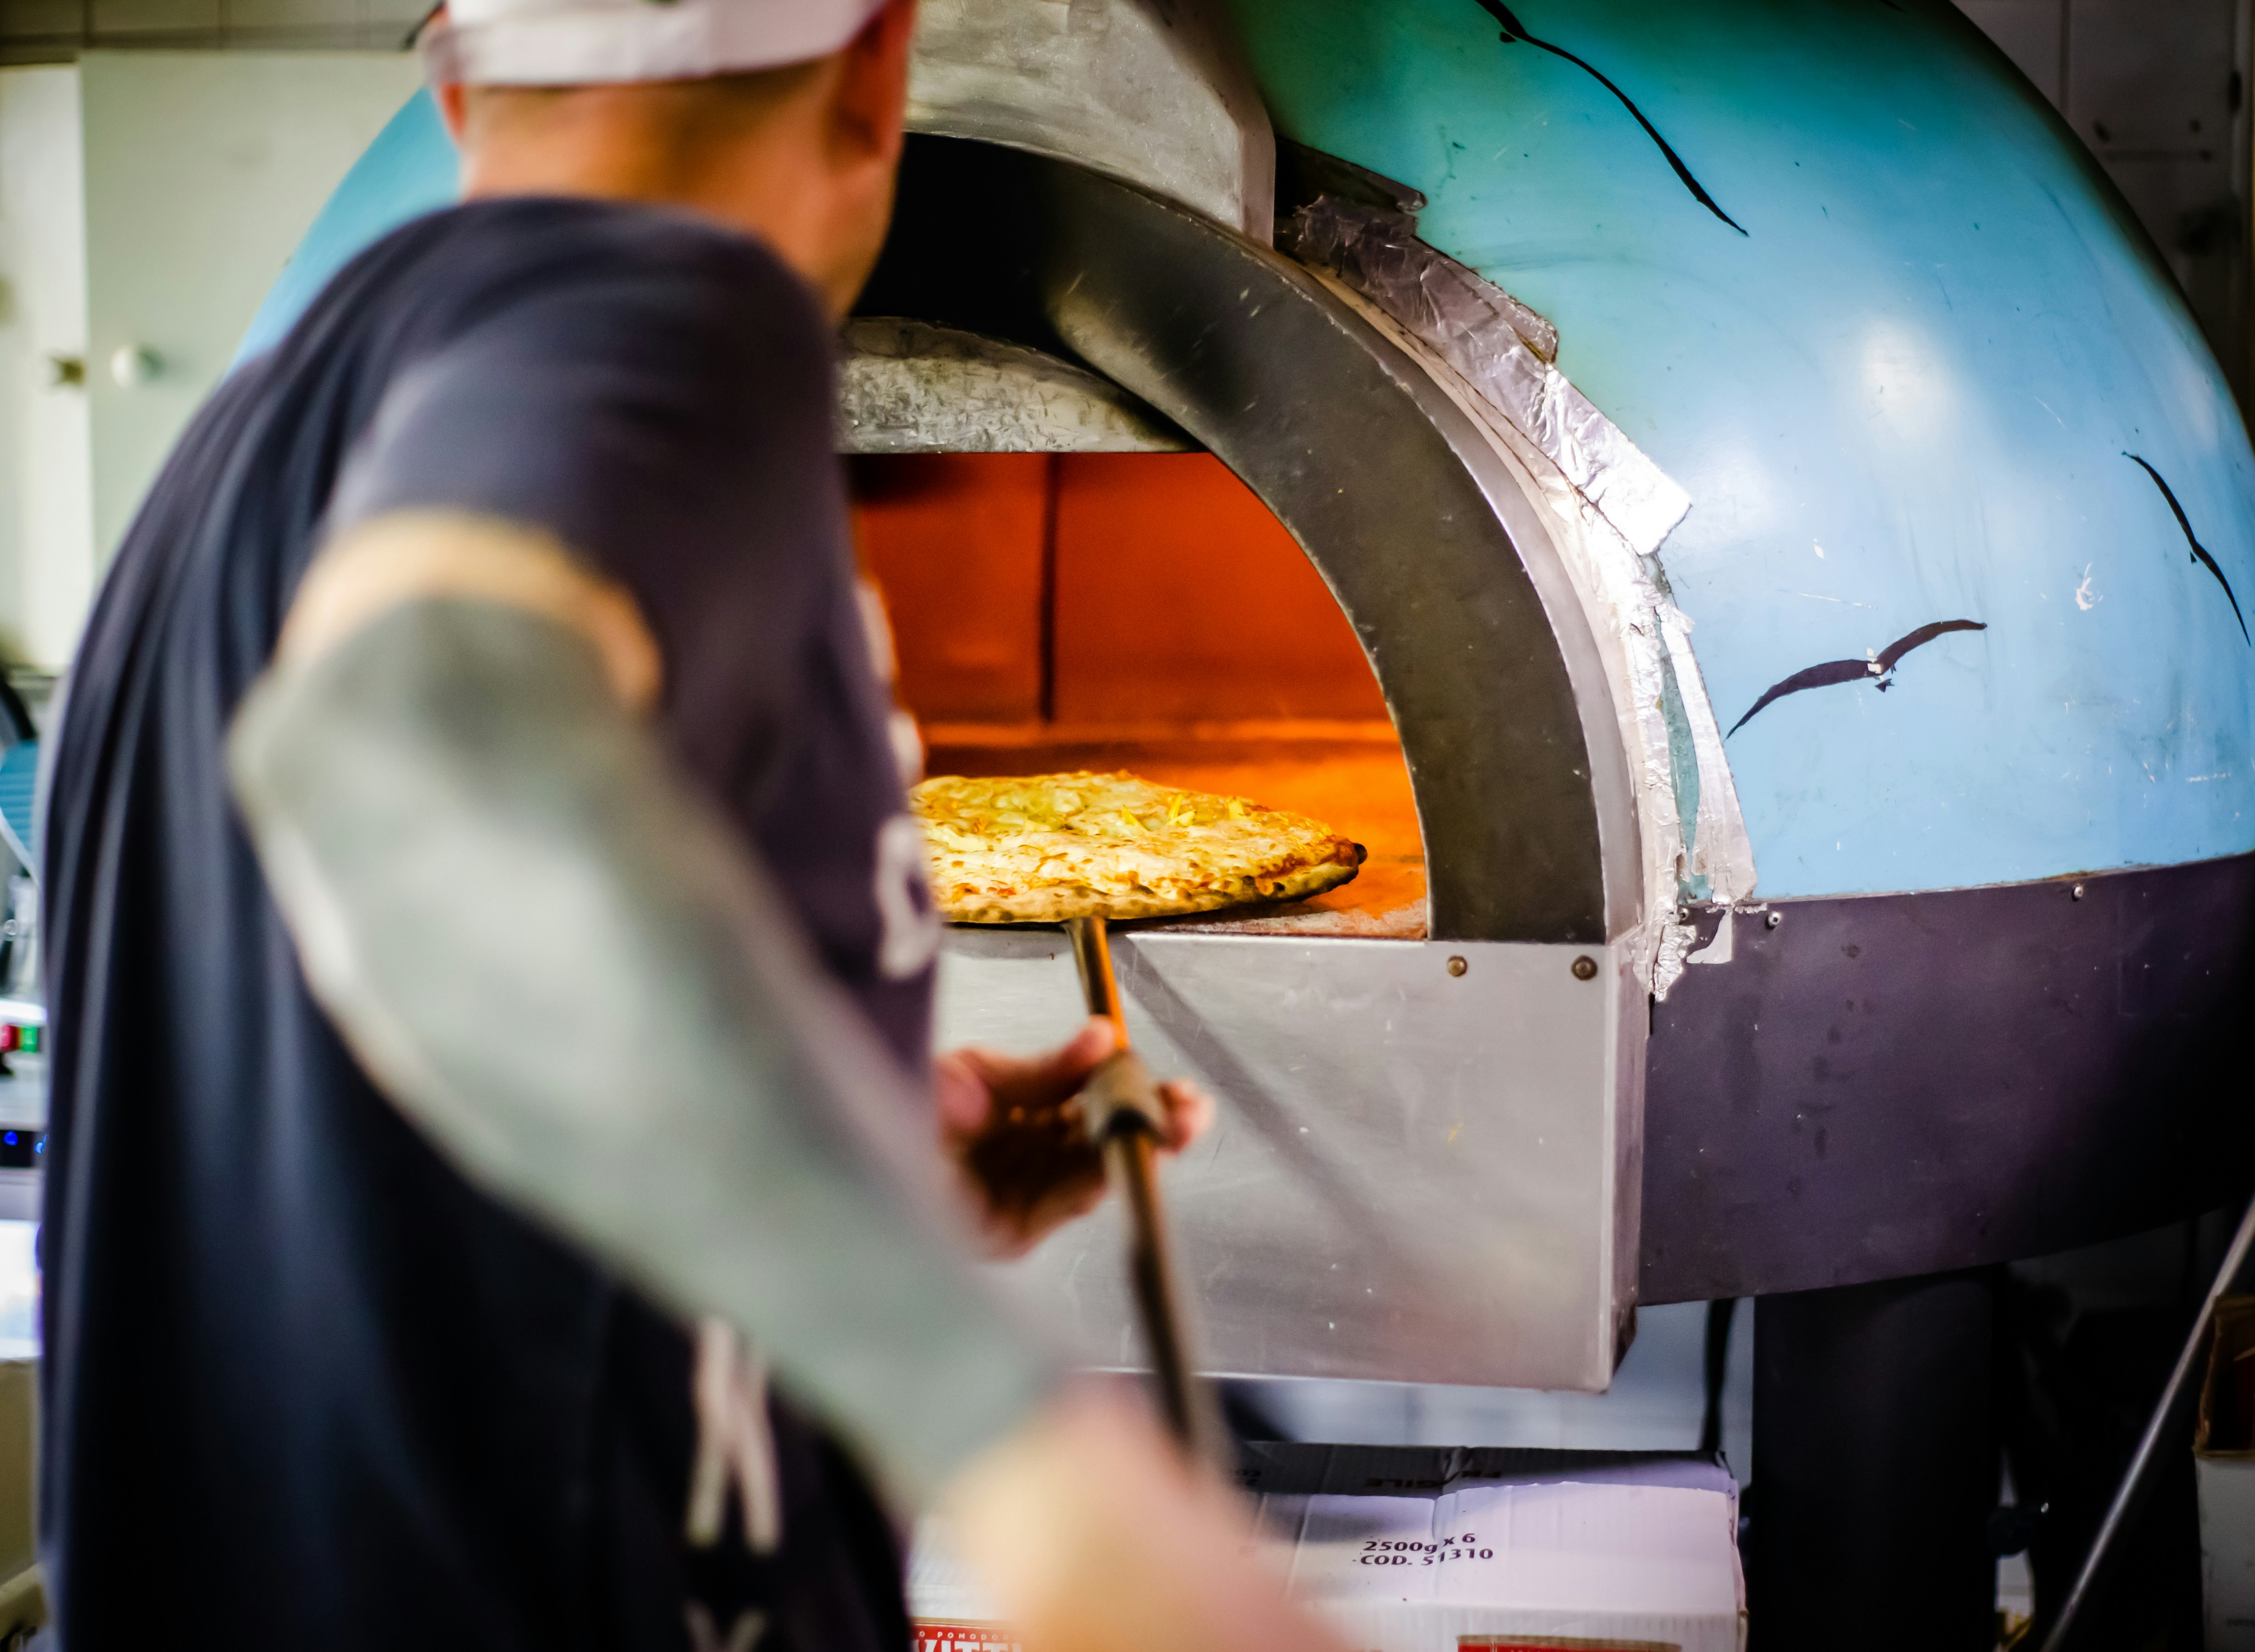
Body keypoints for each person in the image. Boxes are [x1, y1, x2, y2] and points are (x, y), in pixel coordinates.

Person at [38, 2, 1345, 1649]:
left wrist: (843, 1149)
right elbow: (408, 737)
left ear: (455, 83)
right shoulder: (662, 308)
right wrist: (1028, 1454)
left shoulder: (262, 426)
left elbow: (369, 1115)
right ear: (879, 69)